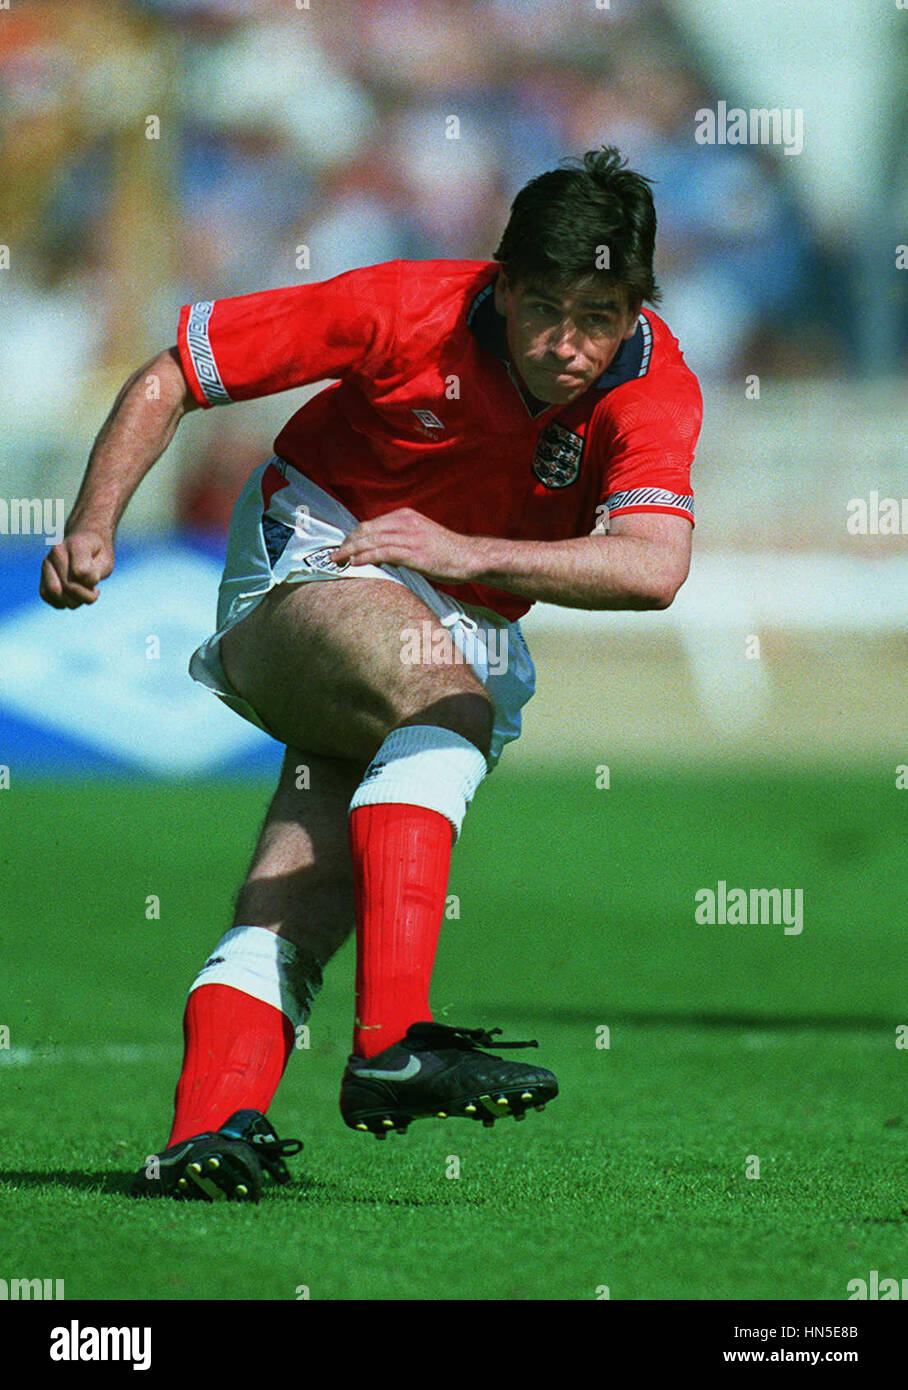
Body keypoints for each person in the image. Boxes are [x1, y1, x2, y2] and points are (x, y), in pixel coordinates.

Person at [40, 148, 701, 1202]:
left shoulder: (653, 386)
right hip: (313, 555)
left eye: (600, 313)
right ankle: (393, 1039)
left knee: (297, 900)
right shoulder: (400, 307)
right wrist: (91, 524)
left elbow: (655, 566)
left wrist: (458, 550)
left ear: (635, 307)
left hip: (453, 600)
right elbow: (177, 370)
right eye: (543, 307)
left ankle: (204, 1133)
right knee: (436, 693)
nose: (567, 343)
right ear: (497, 282)